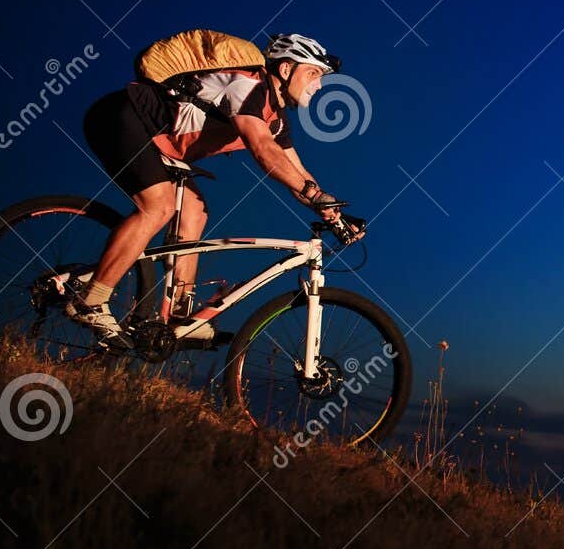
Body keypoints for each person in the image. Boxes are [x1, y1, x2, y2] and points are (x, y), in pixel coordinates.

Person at [68, 32, 355, 346]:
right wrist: (312, 193)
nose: (319, 85)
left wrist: (335, 215)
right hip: (123, 117)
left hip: (160, 147)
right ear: (285, 69)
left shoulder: (277, 120)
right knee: (159, 207)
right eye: (313, 73)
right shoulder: (248, 86)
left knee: (195, 212)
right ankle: (90, 301)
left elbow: (299, 175)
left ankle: (180, 314)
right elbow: (263, 150)